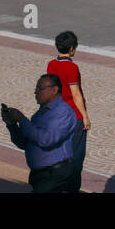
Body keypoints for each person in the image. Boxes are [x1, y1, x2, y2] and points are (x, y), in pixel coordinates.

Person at [2, 74, 78, 193]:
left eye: (40, 89)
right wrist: (11, 125)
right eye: (36, 89)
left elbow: (46, 140)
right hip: (40, 175)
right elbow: (24, 143)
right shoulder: (40, 114)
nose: (35, 92)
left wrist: (22, 119)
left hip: (54, 175)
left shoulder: (62, 112)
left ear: (54, 90)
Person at [47, 30, 90, 192]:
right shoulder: (71, 67)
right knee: (76, 156)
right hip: (74, 117)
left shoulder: (51, 64)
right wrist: (85, 116)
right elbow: (76, 94)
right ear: (72, 49)